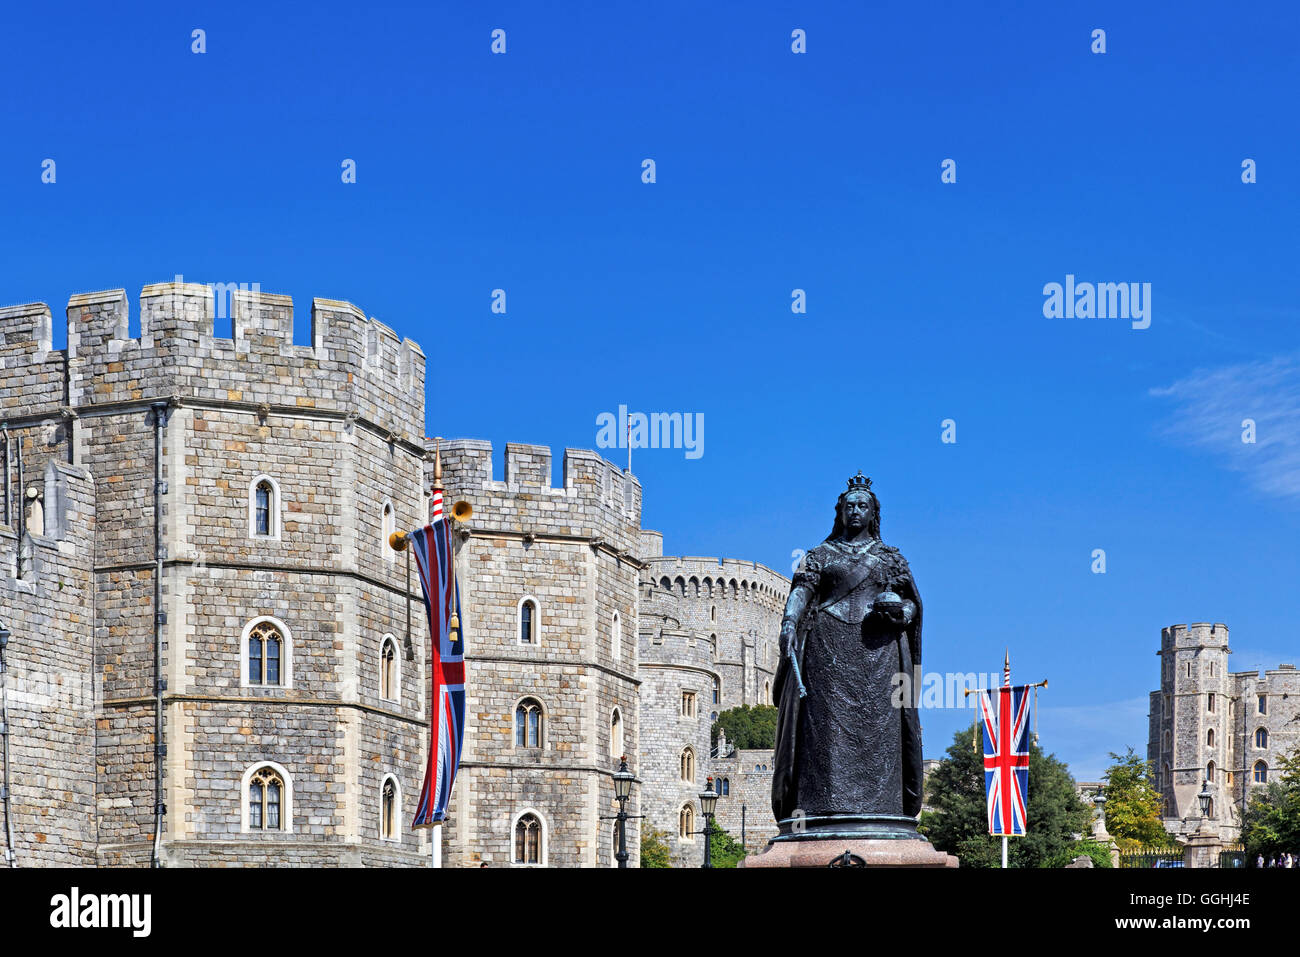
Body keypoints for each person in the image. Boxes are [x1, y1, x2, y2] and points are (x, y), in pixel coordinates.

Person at [771, 472, 923, 833]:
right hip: (827, 650)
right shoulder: (820, 555)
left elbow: (913, 605)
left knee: (880, 731)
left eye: (862, 506)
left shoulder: (890, 557)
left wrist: (902, 612)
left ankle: (882, 808)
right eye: (849, 506)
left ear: (873, 513)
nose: (855, 511)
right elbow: (801, 592)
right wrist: (789, 623)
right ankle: (821, 807)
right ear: (840, 512)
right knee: (823, 731)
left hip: (880, 653)